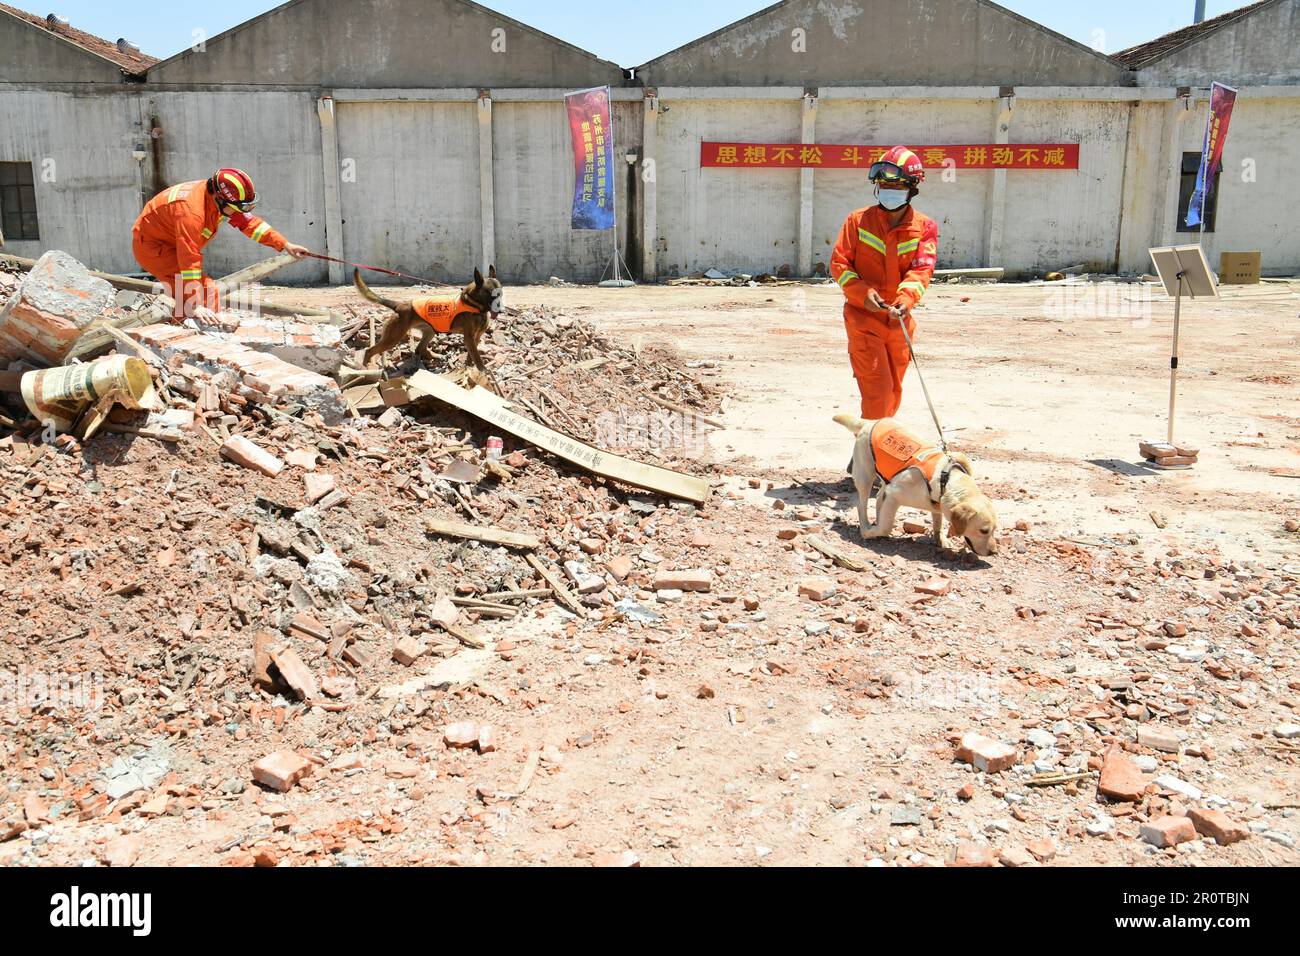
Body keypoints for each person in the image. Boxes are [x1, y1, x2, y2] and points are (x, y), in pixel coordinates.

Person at [829, 146, 938, 423]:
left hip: (899, 321)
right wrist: (862, 293)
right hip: (863, 318)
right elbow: (840, 265)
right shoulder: (857, 222)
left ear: (912, 188)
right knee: (877, 390)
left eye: (897, 186)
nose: (889, 191)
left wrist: (906, 299)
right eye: (884, 185)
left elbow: (921, 269)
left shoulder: (924, 227)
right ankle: (872, 444)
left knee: (893, 392)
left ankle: (871, 440)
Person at [132, 168, 309, 320]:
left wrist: (285, 244)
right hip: (153, 249)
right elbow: (189, 258)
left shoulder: (219, 199)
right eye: (237, 209)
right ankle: (197, 335)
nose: (239, 213)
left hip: (170, 244)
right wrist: (196, 305)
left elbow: (250, 224)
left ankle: (188, 327)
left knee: (198, 294)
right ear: (220, 199)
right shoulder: (191, 213)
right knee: (204, 293)